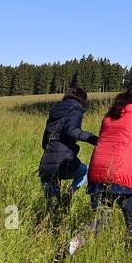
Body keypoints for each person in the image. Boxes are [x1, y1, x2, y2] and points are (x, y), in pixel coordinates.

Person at [68, 82, 132, 255]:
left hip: (97, 176)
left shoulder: (110, 116)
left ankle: (74, 244)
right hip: (125, 179)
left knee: (100, 224)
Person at [38, 85, 98, 216]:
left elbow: (44, 141)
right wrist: (94, 139)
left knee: (52, 209)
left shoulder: (55, 111)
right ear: (82, 99)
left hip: (46, 164)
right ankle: (68, 194)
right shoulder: (75, 109)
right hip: (63, 163)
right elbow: (71, 130)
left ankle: (49, 230)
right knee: (87, 171)